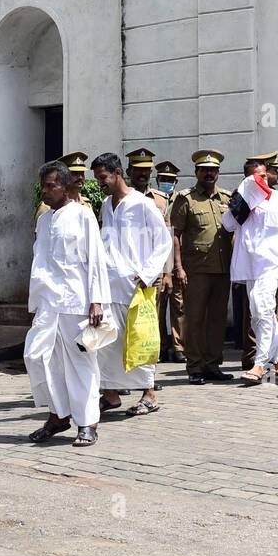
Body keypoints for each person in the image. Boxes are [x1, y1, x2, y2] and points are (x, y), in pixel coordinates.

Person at [24, 161, 110, 447]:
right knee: (38, 356)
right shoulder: (44, 220)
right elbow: (40, 262)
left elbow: (96, 259)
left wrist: (97, 301)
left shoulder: (82, 215)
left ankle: (88, 423)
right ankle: (59, 415)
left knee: (81, 363)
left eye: (52, 186)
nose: (46, 192)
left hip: (76, 301)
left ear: (65, 186)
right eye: (44, 186)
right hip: (48, 302)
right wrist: (35, 300)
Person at [93, 152, 172, 416]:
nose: (100, 183)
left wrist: (148, 273)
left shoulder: (142, 204)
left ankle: (149, 394)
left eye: (103, 177)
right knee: (107, 340)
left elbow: (164, 241)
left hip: (136, 284)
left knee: (139, 338)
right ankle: (111, 394)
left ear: (117, 174)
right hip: (109, 284)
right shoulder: (106, 204)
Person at [222, 153, 278, 384]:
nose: (260, 179)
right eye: (254, 176)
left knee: (261, 308)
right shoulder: (243, 201)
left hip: (272, 264)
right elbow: (228, 225)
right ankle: (277, 357)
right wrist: (241, 203)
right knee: (259, 314)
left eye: (262, 174)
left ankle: (260, 364)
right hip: (249, 265)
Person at [169, 150, 233, 385]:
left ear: (218, 173)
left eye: (213, 170)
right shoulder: (186, 199)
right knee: (194, 319)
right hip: (195, 269)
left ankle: (212, 364)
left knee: (217, 320)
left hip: (222, 269)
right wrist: (178, 267)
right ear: (196, 172)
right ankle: (194, 366)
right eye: (205, 170)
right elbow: (175, 234)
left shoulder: (226, 198)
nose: (209, 174)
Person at [125, 148, 180, 363]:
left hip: (153, 272)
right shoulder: (118, 199)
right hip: (127, 271)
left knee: (152, 322)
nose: (142, 174)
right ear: (129, 171)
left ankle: (149, 371)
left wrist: (167, 273)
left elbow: (167, 238)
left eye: (146, 170)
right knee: (127, 321)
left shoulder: (160, 200)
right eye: (138, 170)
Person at [153, 160, 187, 362]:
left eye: (170, 180)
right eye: (163, 179)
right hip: (160, 261)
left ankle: (179, 346)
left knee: (179, 305)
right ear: (157, 180)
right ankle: (160, 346)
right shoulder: (153, 200)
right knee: (158, 306)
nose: (167, 183)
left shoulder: (182, 199)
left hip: (180, 259)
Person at [34, 151, 92, 230]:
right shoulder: (47, 207)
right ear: (65, 177)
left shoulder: (86, 206)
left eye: (82, 173)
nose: (80, 177)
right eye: (75, 173)